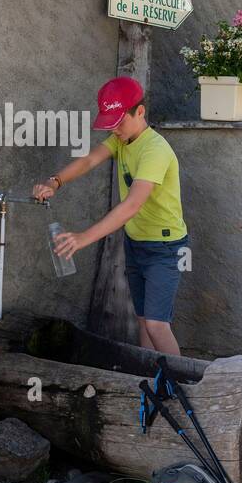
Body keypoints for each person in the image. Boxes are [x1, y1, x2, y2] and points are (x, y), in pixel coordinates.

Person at [33, 77, 189, 355]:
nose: (114, 129)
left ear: (139, 112)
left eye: (119, 121)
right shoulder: (123, 139)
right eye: (110, 123)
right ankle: (147, 386)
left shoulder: (155, 150)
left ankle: (181, 390)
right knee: (143, 322)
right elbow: (89, 160)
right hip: (136, 243)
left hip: (166, 248)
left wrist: (83, 238)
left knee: (156, 325)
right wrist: (54, 181)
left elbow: (132, 206)